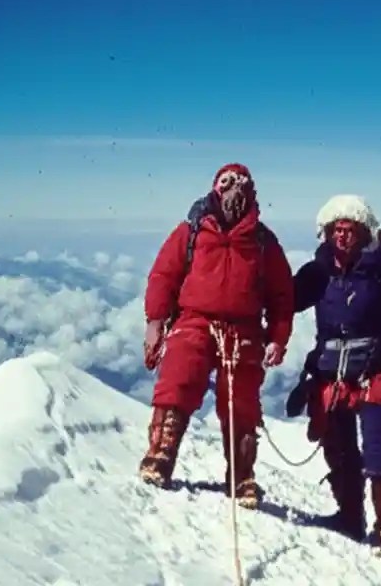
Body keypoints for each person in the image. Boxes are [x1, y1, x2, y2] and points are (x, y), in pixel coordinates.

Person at [138, 163, 295, 509]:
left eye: (241, 184)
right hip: (194, 320)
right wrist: (156, 322)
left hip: (245, 328)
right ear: (215, 189)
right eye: (226, 182)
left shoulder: (263, 243)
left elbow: (282, 294)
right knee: (178, 378)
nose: (233, 190)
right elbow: (164, 275)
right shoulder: (191, 231)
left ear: (251, 192)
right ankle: (160, 454)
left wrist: (278, 337)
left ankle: (241, 475)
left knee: (241, 400)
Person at [286, 194, 381, 559]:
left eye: (350, 229)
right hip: (331, 372)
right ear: (326, 232)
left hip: (376, 370)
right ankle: (350, 518)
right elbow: (285, 298)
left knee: (380, 452)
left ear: (364, 232)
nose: (343, 236)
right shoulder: (320, 271)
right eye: (337, 229)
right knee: (338, 448)